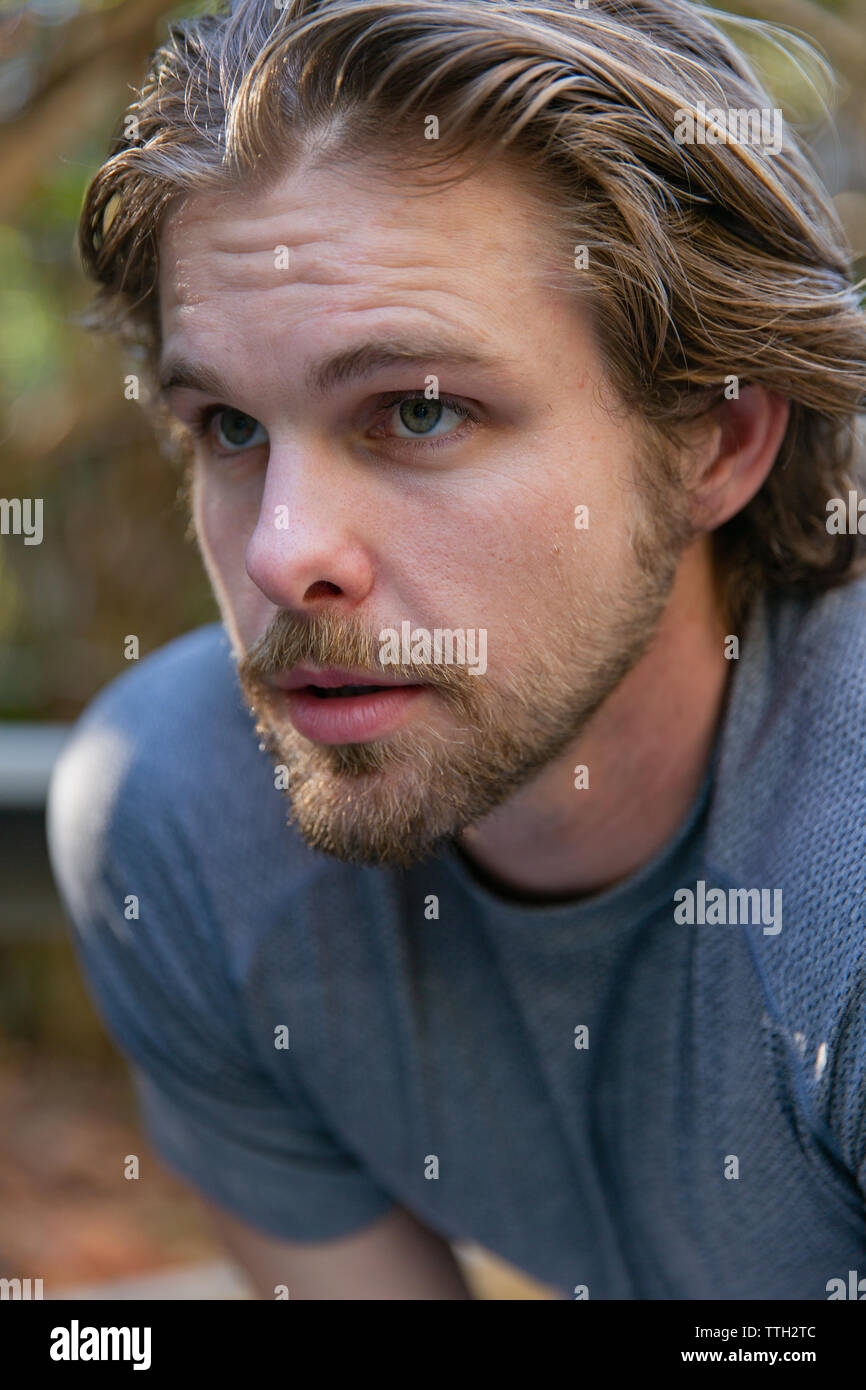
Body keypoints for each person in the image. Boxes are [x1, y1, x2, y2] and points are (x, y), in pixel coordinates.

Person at [47, 0, 866, 1299]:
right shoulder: (183, 822)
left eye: (417, 410)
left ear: (717, 441)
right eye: (229, 427)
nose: (279, 554)